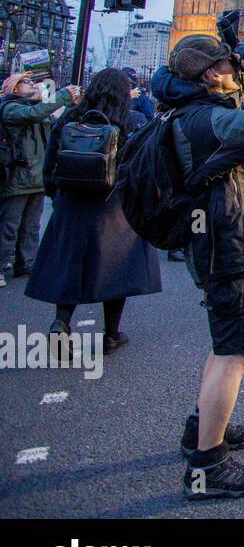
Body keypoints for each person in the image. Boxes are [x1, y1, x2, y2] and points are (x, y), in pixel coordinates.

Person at [152, 34, 244, 501]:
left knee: (223, 345)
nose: (234, 69)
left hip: (210, 239)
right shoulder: (207, 120)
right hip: (226, 244)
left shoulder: (186, 107)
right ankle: (207, 467)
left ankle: (203, 428)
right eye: (225, 66)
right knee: (235, 351)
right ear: (211, 76)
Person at [29, 68, 160, 353]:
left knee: (70, 266)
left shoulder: (69, 119)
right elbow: (142, 170)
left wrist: (59, 197)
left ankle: (61, 323)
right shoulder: (132, 122)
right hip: (114, 208)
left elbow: (50, 165)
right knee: (116, 271)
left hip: (71, 204)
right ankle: (110, 334)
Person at [0, 73, 80, 287]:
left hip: (35, 176)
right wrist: (62, 94)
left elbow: (59, 122)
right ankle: (1, 265)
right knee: (9, 225)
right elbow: (33, 114)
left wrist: (71, 103)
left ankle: (25, 263)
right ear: (14, 88)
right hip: (17, 175)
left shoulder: (37, 108)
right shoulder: (10, 108)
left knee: (31, 225)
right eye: (26, 82)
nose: (32, 84)